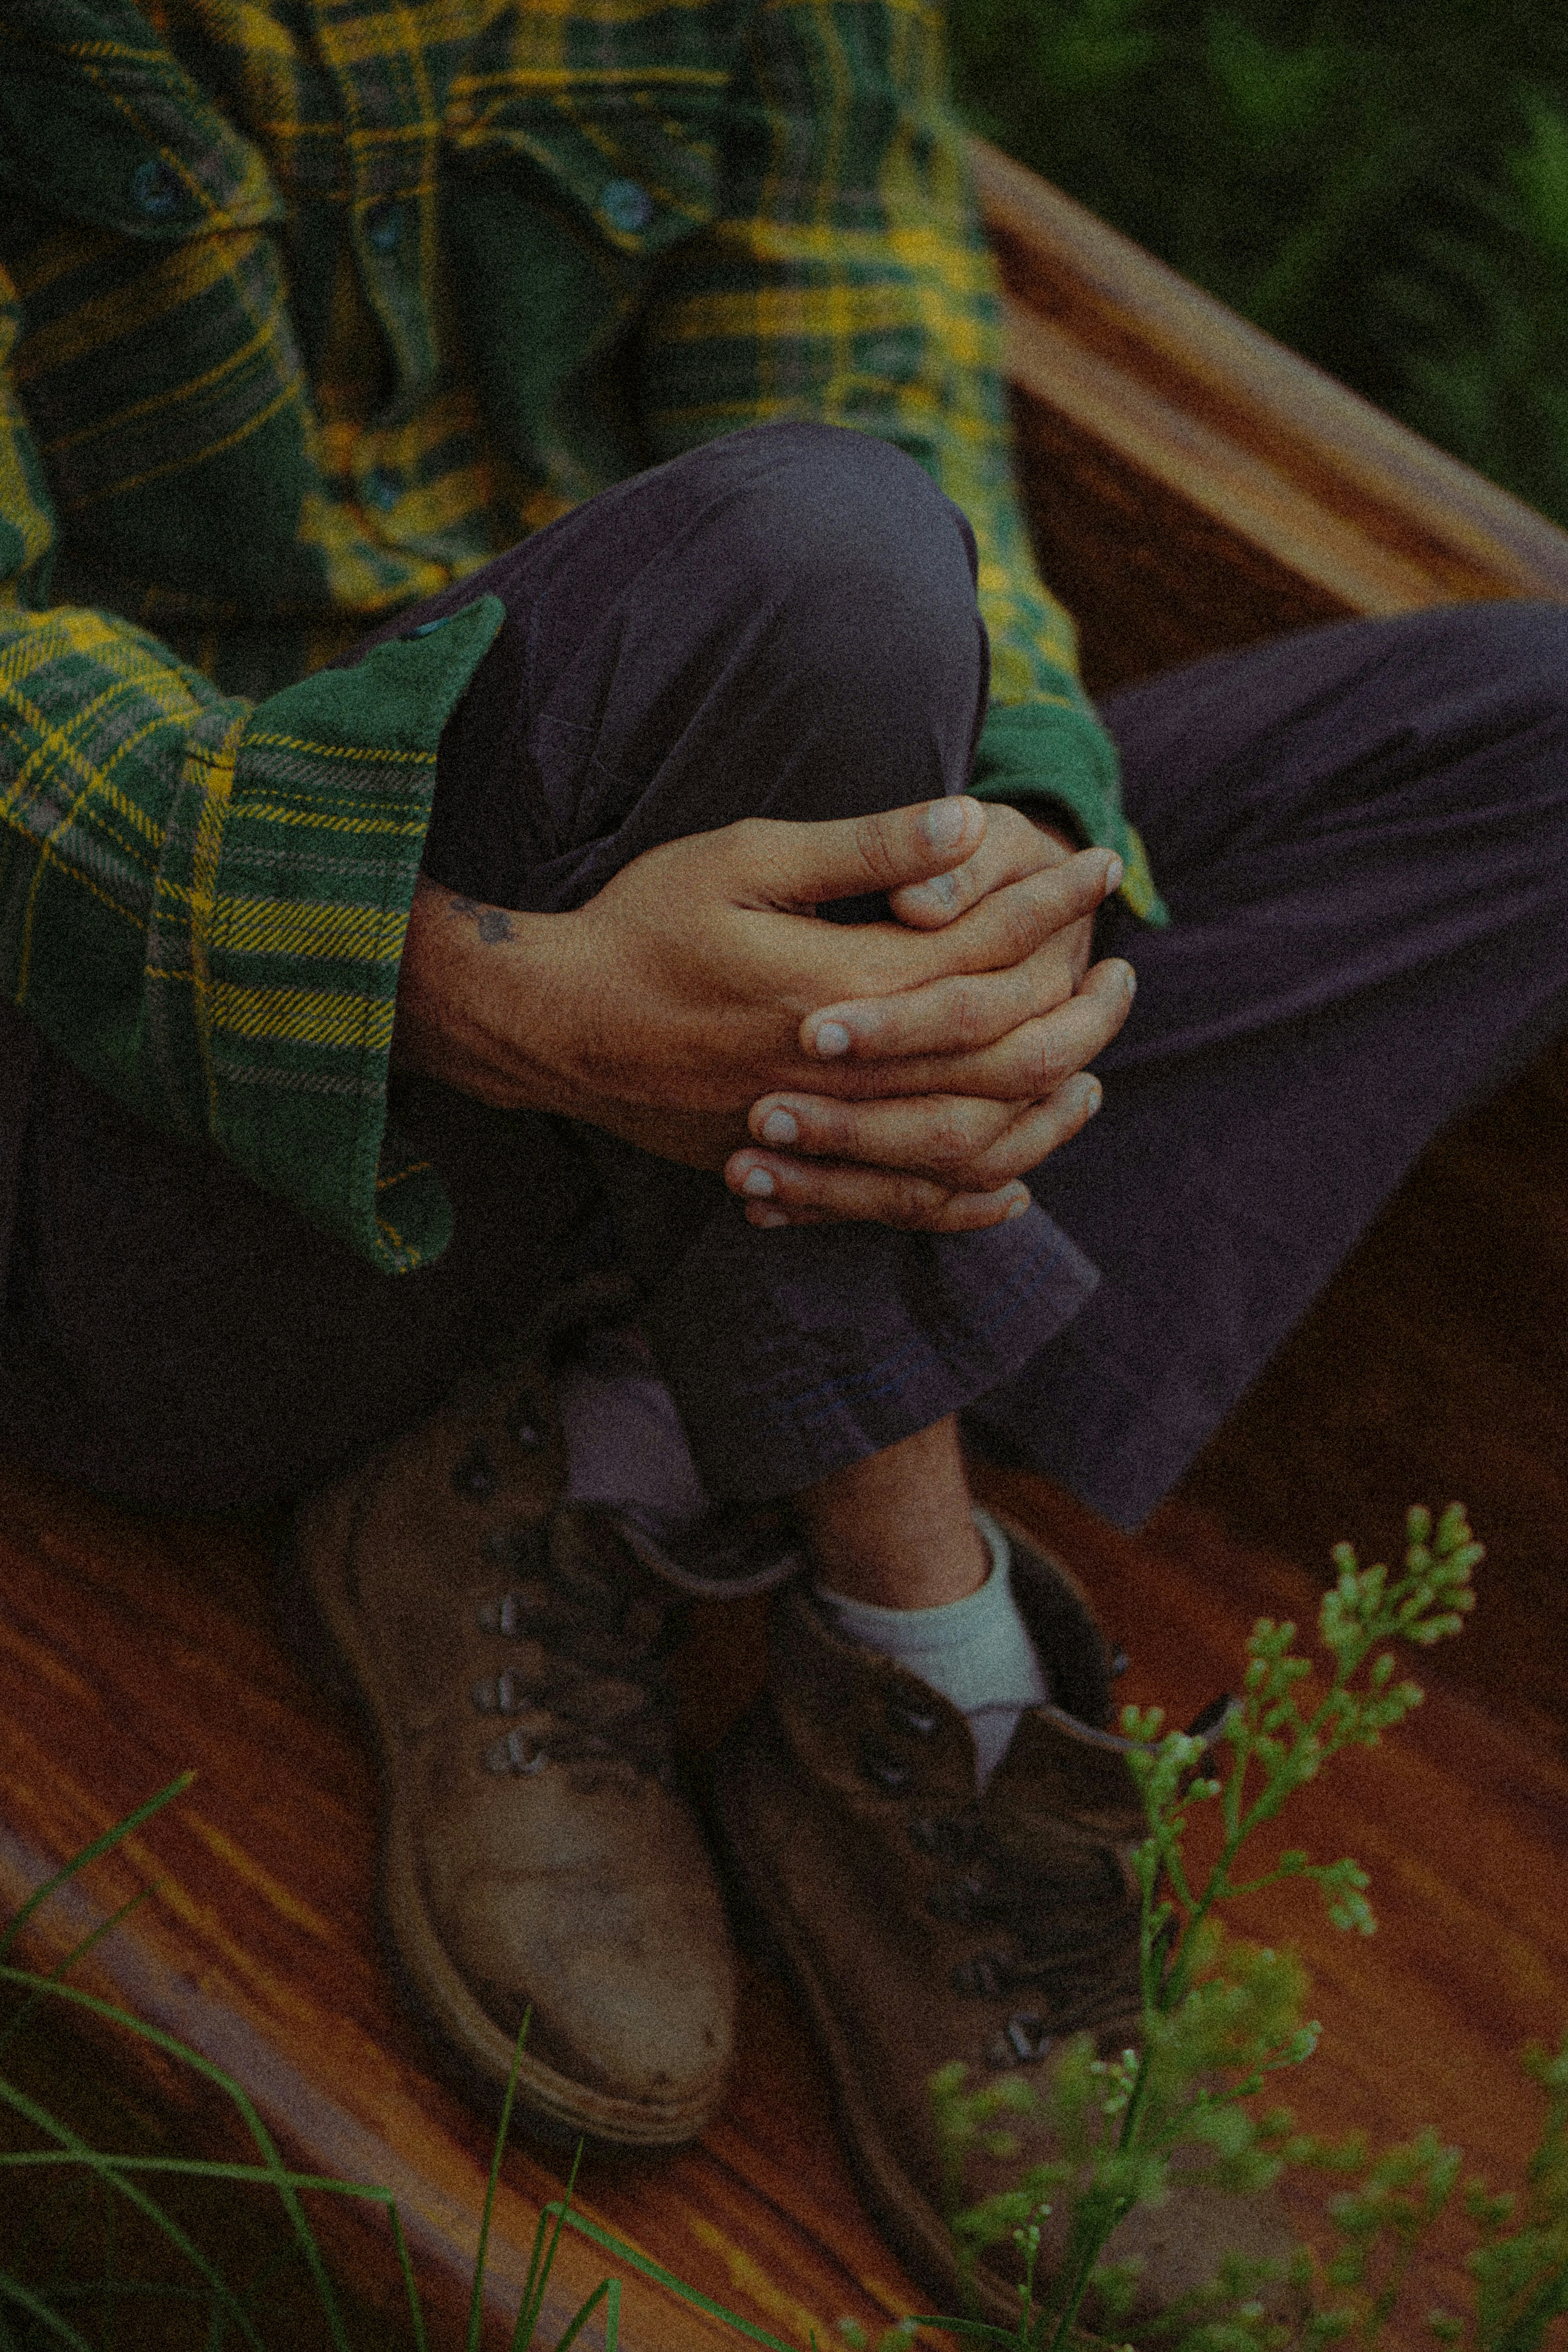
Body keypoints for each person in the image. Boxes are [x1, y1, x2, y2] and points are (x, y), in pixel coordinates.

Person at [3, 0, 1568, 2327]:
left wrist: (1013, 863)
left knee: (1524, 745)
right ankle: (926, 1659)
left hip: (705, 933)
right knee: (807, 568)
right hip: (167, 1118)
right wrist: (479, 988)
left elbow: (887, 375)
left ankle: (607, 1442)